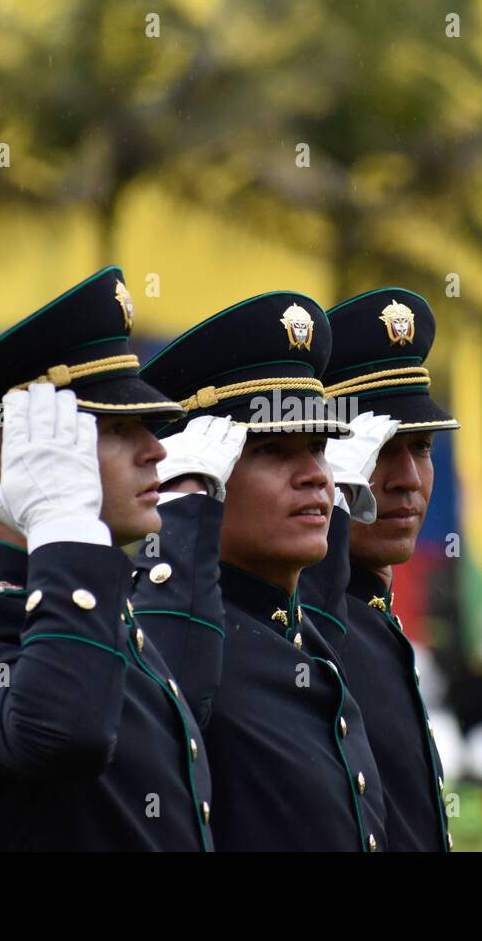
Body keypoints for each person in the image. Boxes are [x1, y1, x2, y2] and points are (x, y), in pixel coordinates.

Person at [0, 266, 225, 850]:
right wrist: (64, 526)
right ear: (25, 456)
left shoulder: (112, 613)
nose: (156, 449)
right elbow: (63, 735)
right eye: (120, 429)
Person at [140, 291, 389, 851]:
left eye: (319, 447)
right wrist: (181, 512)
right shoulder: (179, 639)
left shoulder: (299, 630)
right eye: (275, 451)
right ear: (203, 470)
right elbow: (171, 711)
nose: (316, 477)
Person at [297, 287, 459, 851]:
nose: (407, 479)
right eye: (378, 451)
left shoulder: (371, 616)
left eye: (423, 449)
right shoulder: (311, 618)